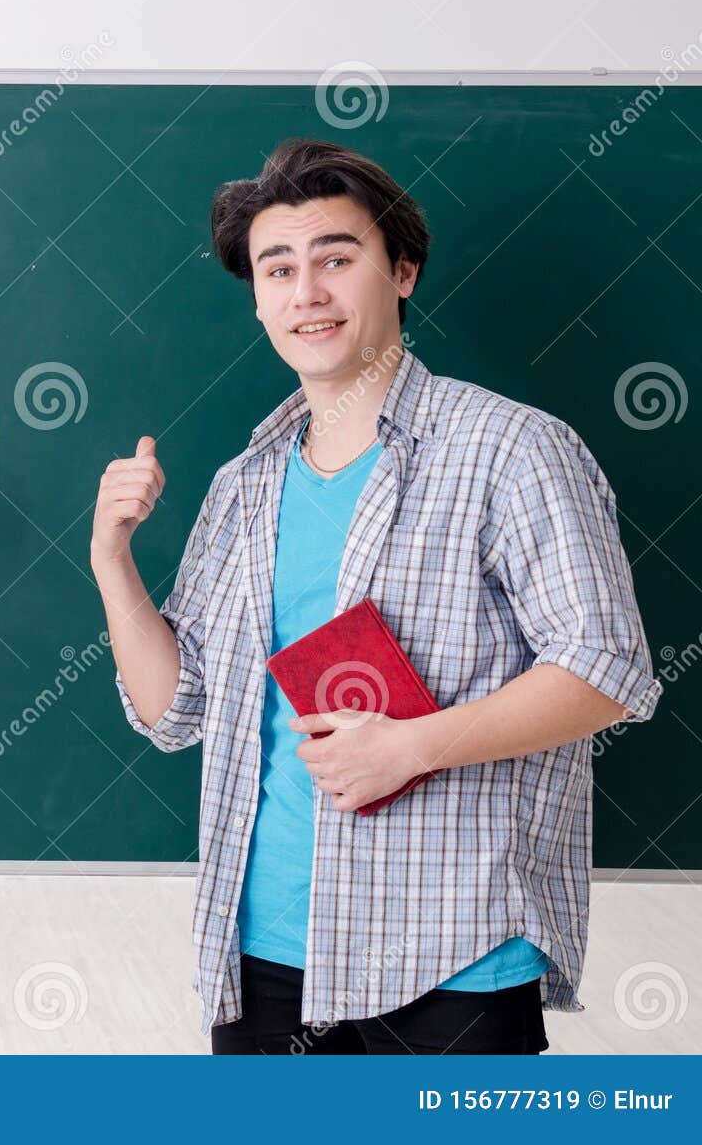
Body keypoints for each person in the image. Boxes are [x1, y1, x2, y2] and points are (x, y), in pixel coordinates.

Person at [92, 137, 661, 1054]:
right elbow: (175, 710)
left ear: (401, 271)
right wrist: (113, 562)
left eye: (335, 258)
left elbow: (609, 671)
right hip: (261, 952)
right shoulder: (244, 485)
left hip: (452, 955)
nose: (305, 292)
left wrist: (412, 746)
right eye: (277, 269)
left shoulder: (512, 451)